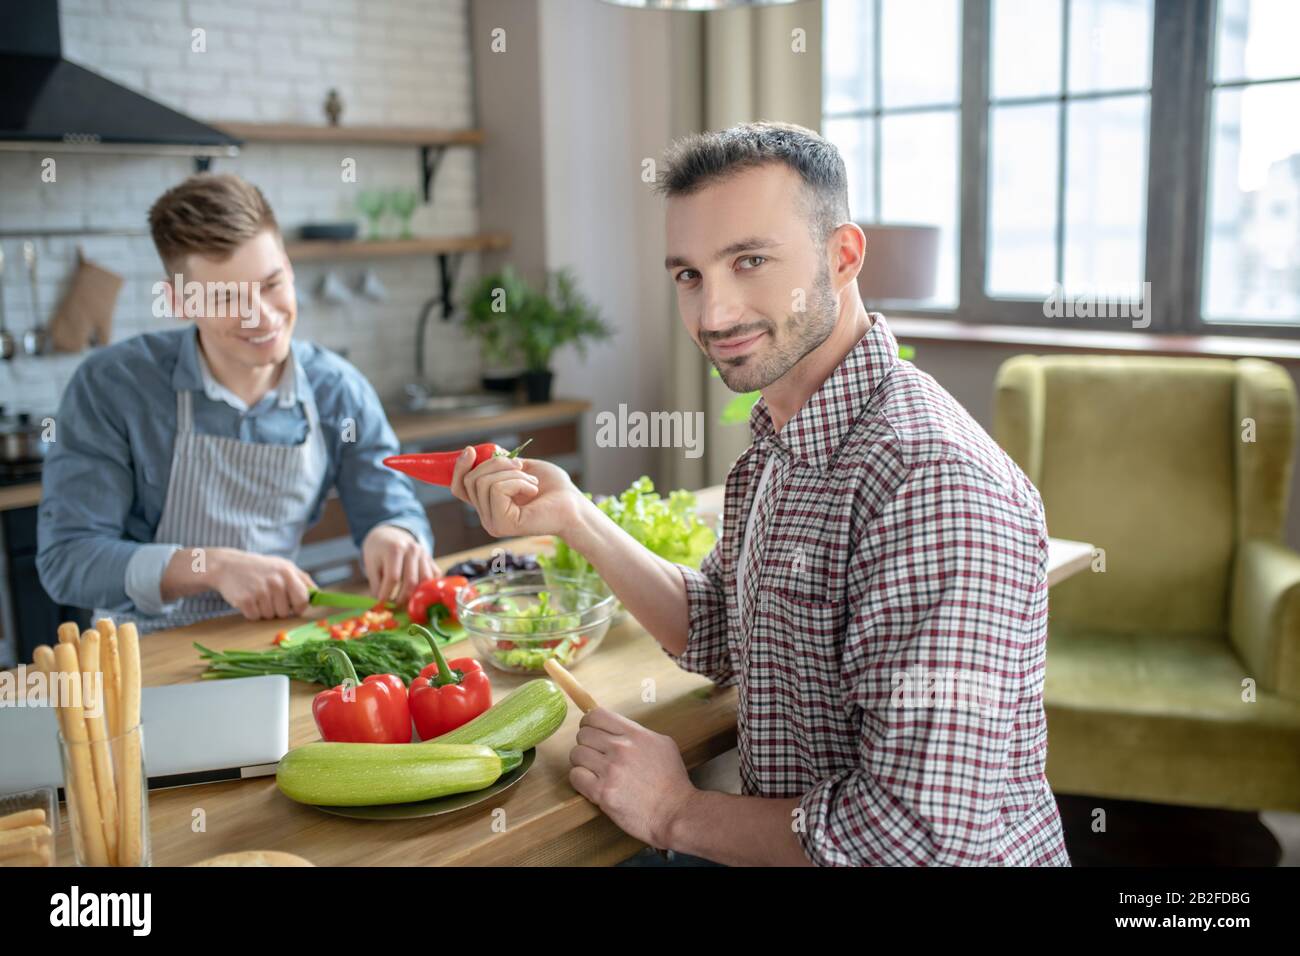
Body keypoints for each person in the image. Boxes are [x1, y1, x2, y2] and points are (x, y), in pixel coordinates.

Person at [448, 122, 1071, 866]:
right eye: (689, 276)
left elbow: (918, 844)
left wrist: (678, 812)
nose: (713, 315)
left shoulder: (929, 482)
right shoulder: (783, 436)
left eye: (751, 261)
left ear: (842, 257)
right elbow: (720, 630)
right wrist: (575, 519)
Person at [37, 173, 437, 633]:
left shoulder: (336, 390)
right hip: (142, 654)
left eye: (271, 284)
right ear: (179, 302)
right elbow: (68, 559)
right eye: (228, 297)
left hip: (274, 642)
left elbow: (390, 505)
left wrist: (394, 535)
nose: (262, 317)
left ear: (288, 266)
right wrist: (214, 567)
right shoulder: (113, 387)